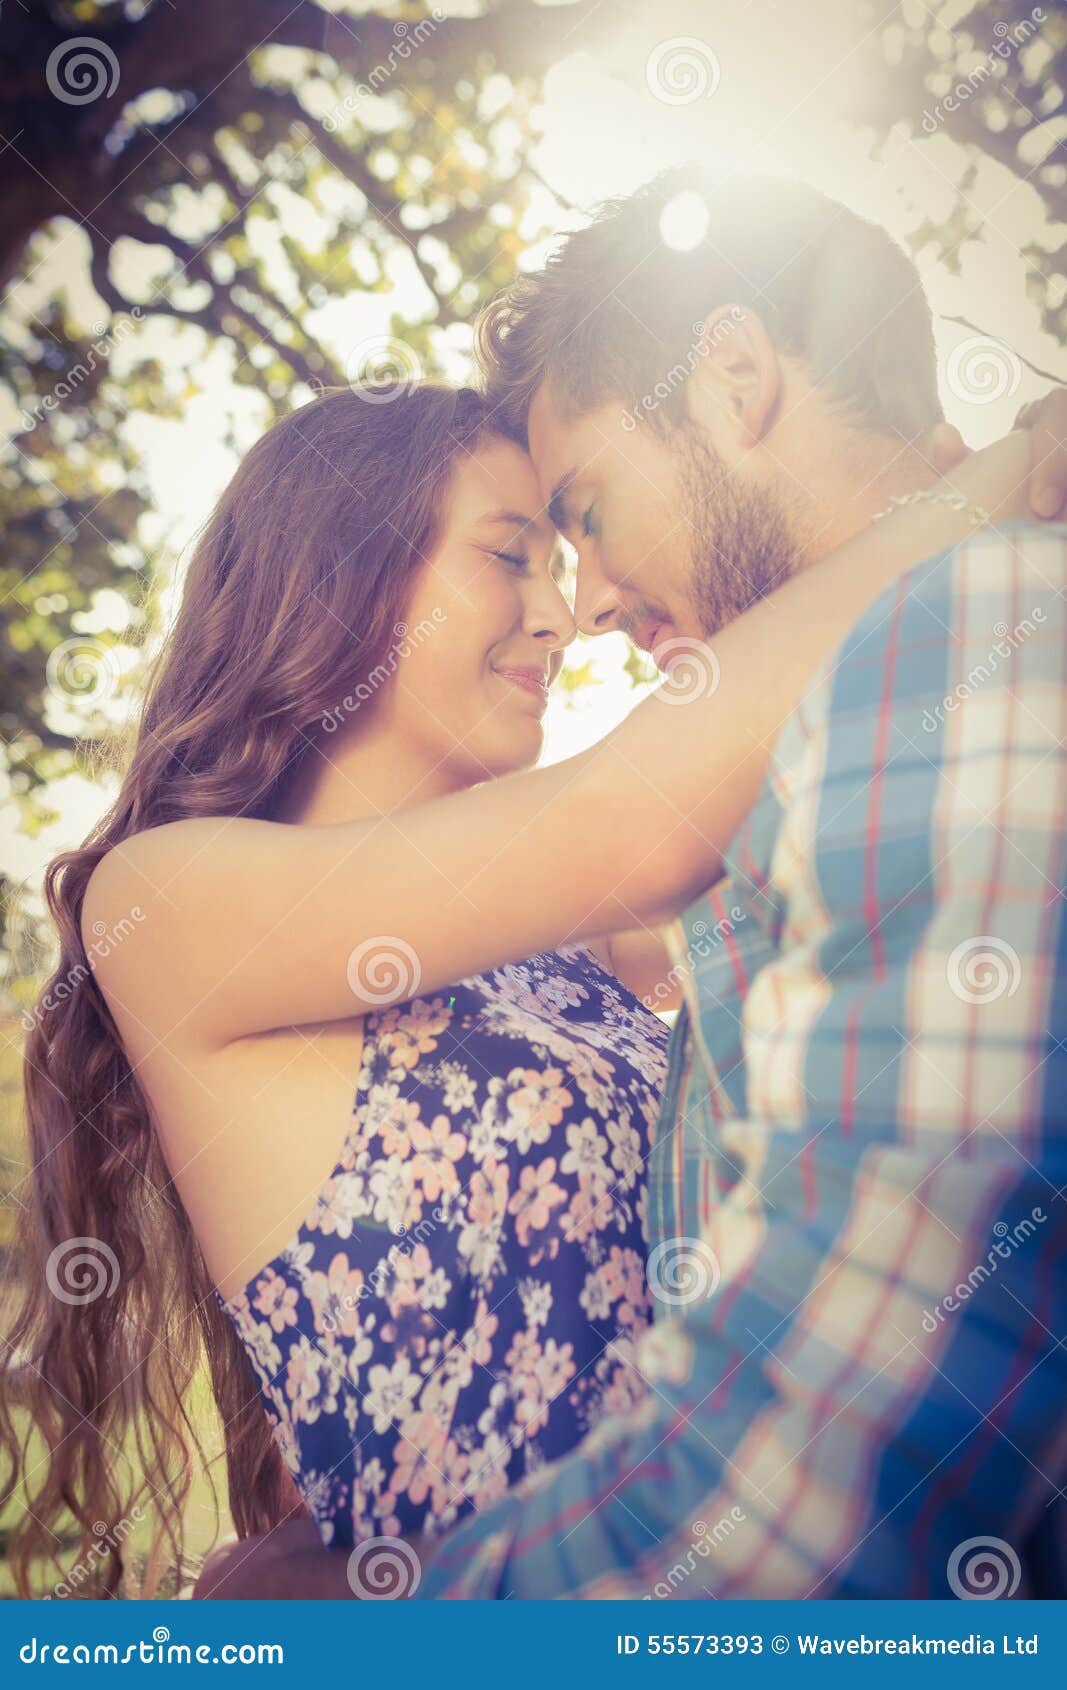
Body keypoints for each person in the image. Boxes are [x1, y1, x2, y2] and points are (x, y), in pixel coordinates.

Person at [195, 171, 1067, 1600]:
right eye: (526, 551)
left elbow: (799, 1505)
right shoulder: (816, 755)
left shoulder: (967, 631)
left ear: (733, 374)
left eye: (584, 516)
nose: (582, 607)